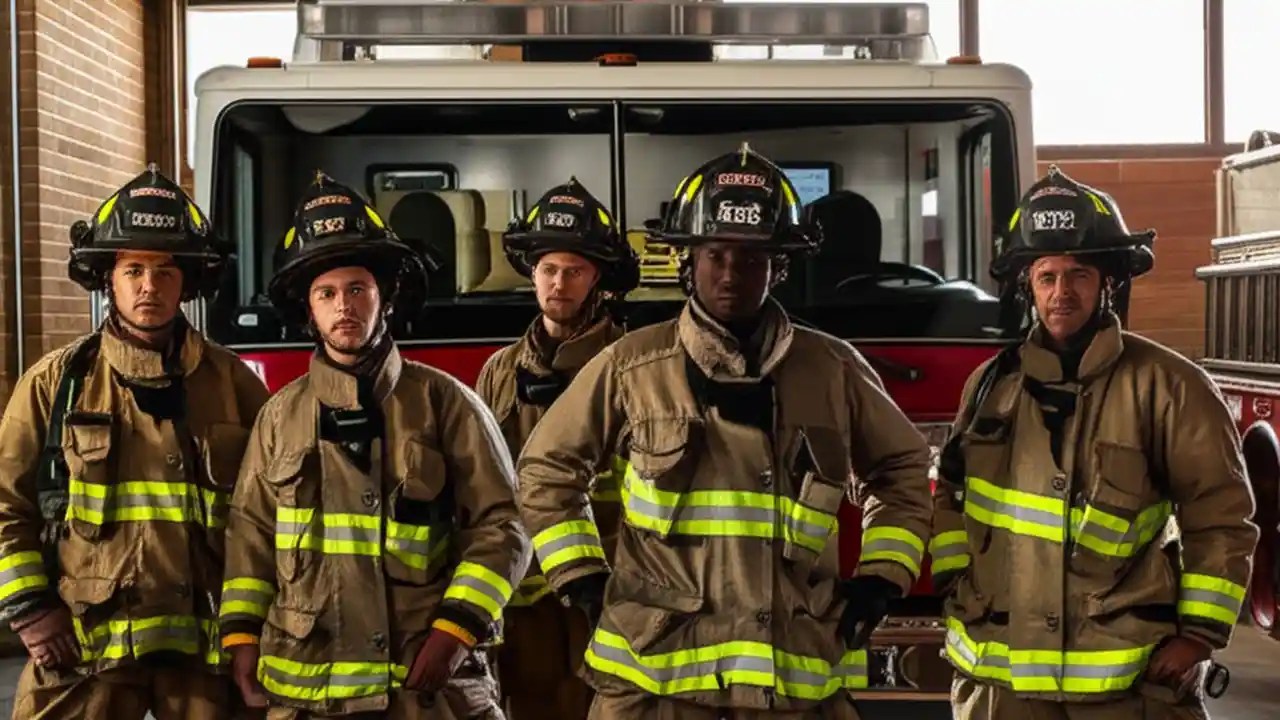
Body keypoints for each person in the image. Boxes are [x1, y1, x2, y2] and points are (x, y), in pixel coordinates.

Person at [513, 144, 934, 719]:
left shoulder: (833, 370)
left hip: (792, 680)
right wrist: (581, 576)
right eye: (715, 255)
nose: (732, 273)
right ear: (688, 261)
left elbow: (904, 471)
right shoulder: (631, 365)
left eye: (751, 257)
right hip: (653, 681)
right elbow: (545, 471)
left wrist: (883, 576)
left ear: (778, 266)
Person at [928, 165, 1260, 720]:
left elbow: (1220, 516)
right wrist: (956, 585)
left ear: (1109, 283)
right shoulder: (989, 386)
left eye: (1079, 275)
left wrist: (1199, 636)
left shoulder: (1170, 387)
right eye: (1047, 276)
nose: (1062, 293)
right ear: (1027, 286)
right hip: (1003, 682)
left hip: (1125, 686)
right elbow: (950, 495)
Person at [218, 172, 530, 719]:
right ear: (308, 311)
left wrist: (458, 628)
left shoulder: (446, 404)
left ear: (385, 298)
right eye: (327, 293)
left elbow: (503, 524)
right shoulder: (278, 418)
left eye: (358, 288)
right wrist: (241, 636)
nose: (345, 306)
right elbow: (251, 533)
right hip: (313, 688)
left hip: (425, 686)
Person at [0, 163, 270, 719]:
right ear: (109, 279)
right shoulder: (56, 383)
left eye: (166, 271)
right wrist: (30, 610)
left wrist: (255, 626)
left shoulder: (234, 384)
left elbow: (270, 513)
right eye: (134, 270)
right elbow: (7, 503)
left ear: (189, 282)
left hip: (207, 648)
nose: (150, 286)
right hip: (84, 645)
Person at [474, 178, 640, 720]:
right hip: (526, 598)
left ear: (599, 280)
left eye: (574, 271)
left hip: (609, 588)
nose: (558, 284)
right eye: (548, 269)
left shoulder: (632, 367)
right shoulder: (499, 371)